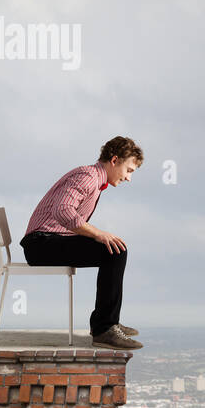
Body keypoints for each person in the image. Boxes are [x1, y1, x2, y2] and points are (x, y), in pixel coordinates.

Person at [19, 136, 145, 349]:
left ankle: (107, 323)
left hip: (47, 241)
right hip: (40, 244)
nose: (129, 178)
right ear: (114, 160)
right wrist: (97, 234)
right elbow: (62, 210)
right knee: (114, 251)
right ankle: (104, 328)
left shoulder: (94, 178)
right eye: (129, 170)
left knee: (113, 249)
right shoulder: (88, 177)